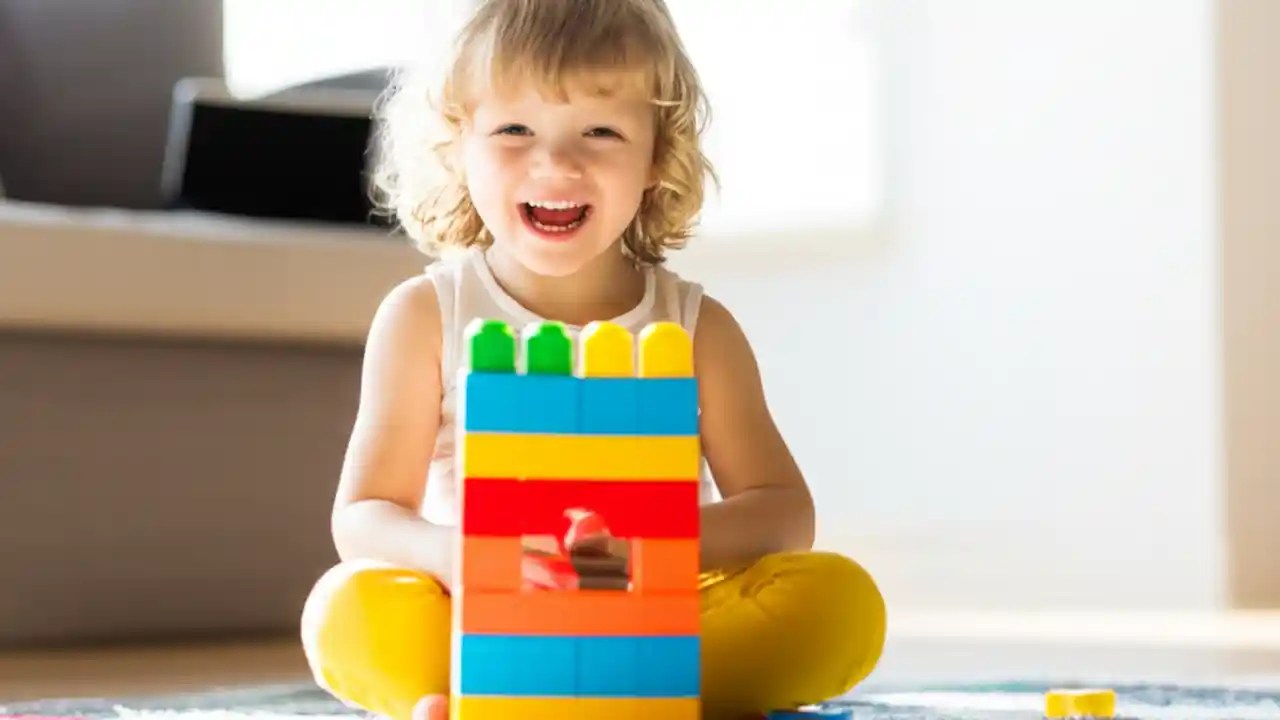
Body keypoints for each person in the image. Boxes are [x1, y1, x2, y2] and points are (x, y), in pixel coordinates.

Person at [299, 1, 886, 718]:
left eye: (601, 131)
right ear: (459, 148)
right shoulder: (424, 315)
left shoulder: (699, 328)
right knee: (343, 615)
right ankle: (611, 692)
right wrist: (464, 556)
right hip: (483, 611)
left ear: (655, 158)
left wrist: (648, 551)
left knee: (838, 603)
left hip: (656, 608)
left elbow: (784, 512)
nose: (556, 162)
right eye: (514, 129)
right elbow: (365, 515)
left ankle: (553, 695)